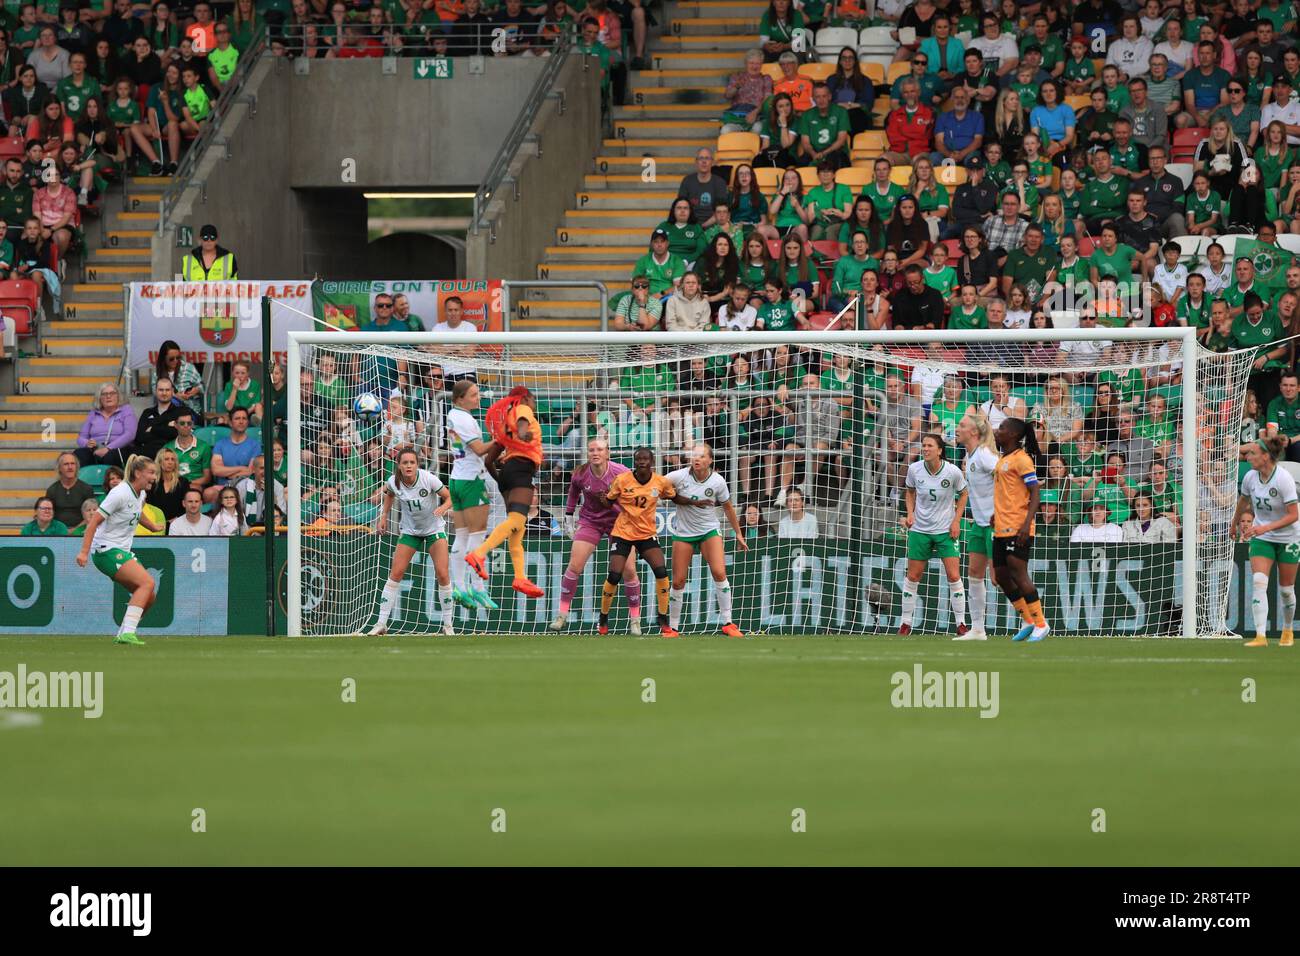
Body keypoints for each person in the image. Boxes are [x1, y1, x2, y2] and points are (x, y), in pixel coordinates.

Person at [75, 454, 163, 646]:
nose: (154, 477)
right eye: (151, 473)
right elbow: (93, 523)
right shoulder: (119, 493)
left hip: (120, 550)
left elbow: (135, 513)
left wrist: (151, 526)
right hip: (106, 550)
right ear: (138, 473)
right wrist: (83, 551)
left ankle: (123, 632)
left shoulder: (140, 494)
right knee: (146, 583)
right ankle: (127, 634)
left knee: (150, 594)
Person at [465, 386, 545, 598]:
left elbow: (490, 460)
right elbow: (522, 425)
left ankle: (520, 577)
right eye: (534, 399)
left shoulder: (504, 426)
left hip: (508, 473)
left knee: (518, 529)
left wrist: (501, 482)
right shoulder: (523, 409)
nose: (534, 404)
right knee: (517, 521)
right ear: (526, 398)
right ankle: (478, 554)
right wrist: (524, 435)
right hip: (521, 470)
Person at [368, 447, 455, 637]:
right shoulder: (393, 482)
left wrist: (442, 509)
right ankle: (381, 623)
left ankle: (448, 625)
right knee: (396, 573)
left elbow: (450, 498)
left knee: (442, 573)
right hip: (410, 531)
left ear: (417, 464)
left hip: (434, 530)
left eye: (412, 462)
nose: (408, 466)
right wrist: (384, 516)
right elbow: (389, 494)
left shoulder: (428, 479)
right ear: (399, 465)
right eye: (405, 462)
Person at [666, 443, 747, 637]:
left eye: (702, 456)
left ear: (710, 460)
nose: (697, 459)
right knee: (678, 581)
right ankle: (673, 628)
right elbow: (657, 485)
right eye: (694, 455)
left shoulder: (718, 481)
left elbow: (727, 507)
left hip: (708, 531)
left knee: (719, 572)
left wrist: (738, 533)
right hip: (684, 532)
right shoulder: (678, 476)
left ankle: (728, 623)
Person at [897, 433, 969, 637]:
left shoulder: (952, 471)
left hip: (946, 530)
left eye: (929, 446)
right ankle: (905, 623)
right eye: (923, 445)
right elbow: (909, 491)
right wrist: (910, 514)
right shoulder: (914, 469)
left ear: (939, 450)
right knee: (913, 576)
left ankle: (961, 624)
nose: (925, 449)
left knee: (954, 575)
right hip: (920, 529)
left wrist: (956, 520)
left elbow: (964, 493)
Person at [1233, 434, 1300, 646]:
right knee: (1259, 581)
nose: (1248, 456)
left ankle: (1287, 630)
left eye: (1252, 452)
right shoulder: (1251, 477)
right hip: (1263, 537)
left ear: (1265, 456)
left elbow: (1293, 515)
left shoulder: (1283, 479)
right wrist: (1233, 523)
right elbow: (1243, 500)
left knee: (1286, 590)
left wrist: (1264, 527)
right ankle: (1260, 636)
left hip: (1288, 536)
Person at [601, 447, 676, 636]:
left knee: (661, 571)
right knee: (615, 575)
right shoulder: (622, 480)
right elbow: (609, 501)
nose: (642, 461)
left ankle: (662, 617)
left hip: (646, 534)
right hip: (623, 533)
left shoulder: (660, 482)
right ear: (634, 461)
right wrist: (603, 500)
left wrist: (694, 502)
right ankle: (603, 618)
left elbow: (673, 495)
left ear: (651, 461)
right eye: (638, 459)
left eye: (645, 458)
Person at [443, 379, 499, 610]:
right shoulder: (463, 419)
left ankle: (459, 587)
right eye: (474, 395)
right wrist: (503, 438)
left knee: (463, 536)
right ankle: (477, 589)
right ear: (460, 398)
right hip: (470, 482)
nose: (478, 398)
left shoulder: (456, 415)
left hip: (457, 478)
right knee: (477, 538)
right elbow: (479, 449)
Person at [992, 417, 1049, 642]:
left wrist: (1027, 524)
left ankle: (1041, 624)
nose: (998, 430)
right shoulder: (1003, 459)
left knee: (1019, 573)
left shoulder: (1022, 460)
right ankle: (1028, 619)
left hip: (1018, 525)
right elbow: (1008, 492)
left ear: (1014, 434)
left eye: (1002, 428)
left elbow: (1035, 492)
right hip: (1000, 525)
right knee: (1001, 576)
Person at [207, 406, 261, 503]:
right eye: (237, 418)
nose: (241, 421)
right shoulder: (221, 444)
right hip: (223, 487)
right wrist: (241, 468)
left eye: (244, 418)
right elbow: (216, 470)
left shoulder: (254, 445)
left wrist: (228, 473)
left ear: (248, 422)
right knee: (209, 493)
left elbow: (250, 471)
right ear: (230, 422)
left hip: (245, 486)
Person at [75, 382, 136, 467]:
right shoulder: (94, 413)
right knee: (79, 454)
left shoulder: (126, 410)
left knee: (110, 456)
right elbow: (80, 438)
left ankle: (111, 480)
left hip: (118, 448)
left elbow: (130, 435)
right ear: (99, 398)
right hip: (96, 448)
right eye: (104, 394)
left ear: (118, 396)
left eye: (112, 393)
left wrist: (108, 448)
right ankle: (87, 480)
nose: (108, 396)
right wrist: (87, 443)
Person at [676, 147, 729, 227]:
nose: (704, 161)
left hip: (714, 226)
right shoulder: (687, 181)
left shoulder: (720, 183)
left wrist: (703, 226)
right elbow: (681, 207)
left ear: (712, 162)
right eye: (701, 158)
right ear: (696, 162)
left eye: (707, 158)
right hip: (690, 225)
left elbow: (721, 212)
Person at [45, 450, 95, 527]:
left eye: (72, 464)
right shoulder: (52, 490)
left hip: (81, 531)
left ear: (77, 467)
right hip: (58, 532)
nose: (70, 467)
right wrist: (62, 530)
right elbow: (48, 516)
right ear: (59, 468)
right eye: (66, 464)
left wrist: (74, 530)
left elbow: (92, 515)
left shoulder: (87, 489)